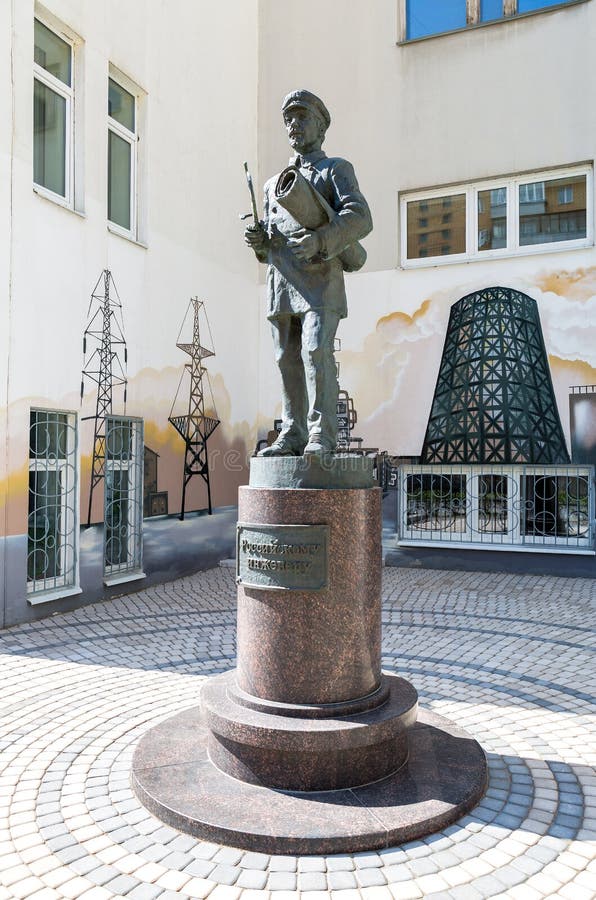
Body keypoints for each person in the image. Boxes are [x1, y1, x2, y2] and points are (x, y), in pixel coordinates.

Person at [245, 89, 372, 457]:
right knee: (286, 358)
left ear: (321, 126)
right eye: (289, 119)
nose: (294, 125)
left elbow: (361, 217)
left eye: (302, 118)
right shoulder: (272, 185)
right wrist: (258, 240)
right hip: (283, 283)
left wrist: (319, 240)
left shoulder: (337, 169)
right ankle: (293, 432)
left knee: (316, 351)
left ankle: (321, 434)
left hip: (321, 281)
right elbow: (269, 246)